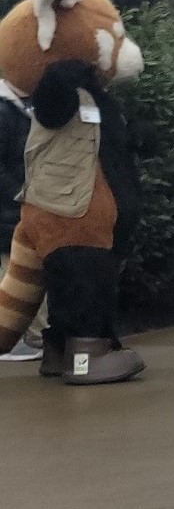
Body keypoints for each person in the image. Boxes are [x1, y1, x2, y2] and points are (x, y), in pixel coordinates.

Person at [0, 58, 45, 363]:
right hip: (10, 208)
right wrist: (19, 193)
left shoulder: (28, 107)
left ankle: (33, 336)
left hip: (28, 205)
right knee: (12, 272)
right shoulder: (5, 110)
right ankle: (19, 339)